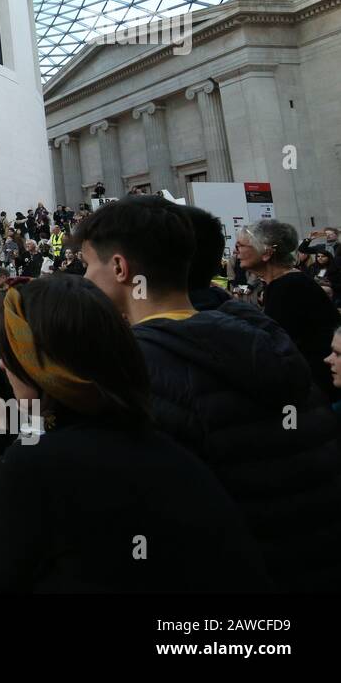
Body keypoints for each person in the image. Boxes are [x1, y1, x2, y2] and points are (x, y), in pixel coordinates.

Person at [0, 276, 269, 593]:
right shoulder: (157, 429)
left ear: (39, 363)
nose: (1, 364)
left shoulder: (37, 460)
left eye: (9, 352)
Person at [75, 196, 341, 592]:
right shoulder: (261, 335)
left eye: (86, 265)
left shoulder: (136, 368)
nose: (83, 280)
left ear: (119, 267)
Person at [237, 218, 340, 400]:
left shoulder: (288, 287)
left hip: (317, 388)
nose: (237, 253)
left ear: (266, 252)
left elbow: (275, 344)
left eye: (240, 246)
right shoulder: (285, 283)